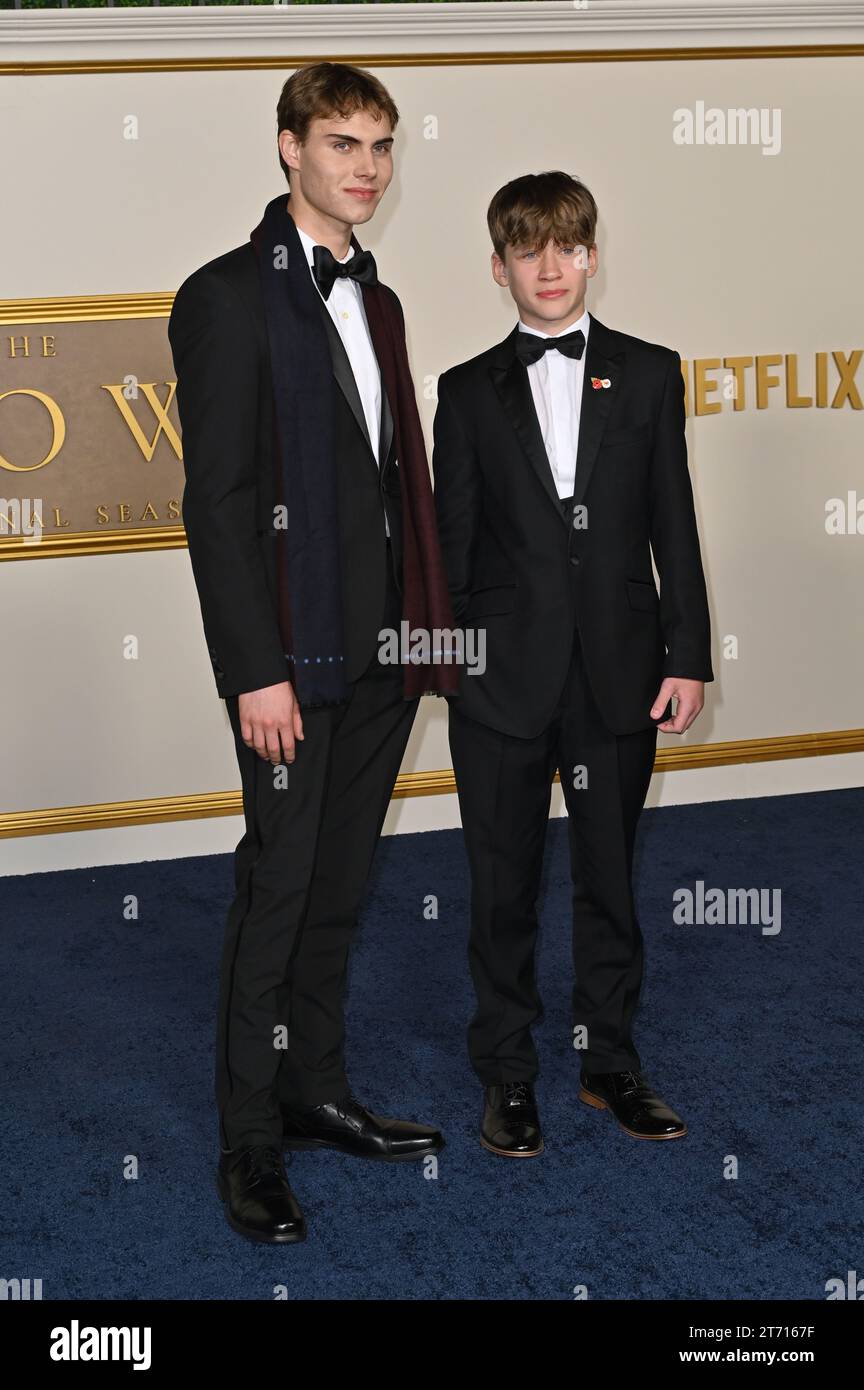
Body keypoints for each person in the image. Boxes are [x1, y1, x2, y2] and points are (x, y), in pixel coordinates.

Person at [168, 62, 457, 1243]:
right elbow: (221, 503)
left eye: (381, 146)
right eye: (343, 143)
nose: (367, 167)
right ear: (287, 148)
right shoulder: (228, 296)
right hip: (292, 657)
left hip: (384, 647)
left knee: (341, 884)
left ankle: (313, 1087)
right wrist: (256, 668)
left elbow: (391, 485)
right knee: (277, 886)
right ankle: (248, 1142)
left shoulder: (377, 299)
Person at [432, 170, 713, 1158]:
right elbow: (450, 547)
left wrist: (687, 653)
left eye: (565, 246)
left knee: (609, 879)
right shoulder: (463, 391)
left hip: (620, 670)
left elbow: (672, 523)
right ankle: (507, 1074)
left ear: (591, 255)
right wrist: (457, 662)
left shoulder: (648, 372)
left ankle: (609, 1063)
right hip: (499, 685)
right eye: (526, 249)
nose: (548, 267)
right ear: (499, 265)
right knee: (500, 886)